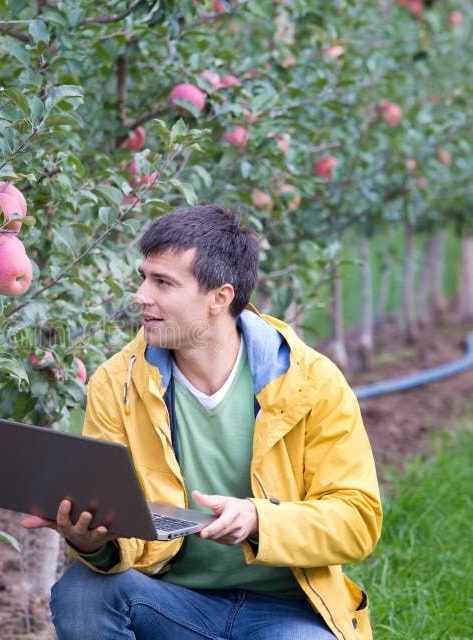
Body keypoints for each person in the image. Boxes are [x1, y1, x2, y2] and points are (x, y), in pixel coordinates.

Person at [22, 204, 383, 639]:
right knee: (82, 592)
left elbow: (356, 519)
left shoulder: (311, 382)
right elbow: (121, 516)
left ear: (219, 298)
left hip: (286, 612)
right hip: (173, 601)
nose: (140, 295)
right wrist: (94, 543)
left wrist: (255, 519)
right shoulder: (116, 384)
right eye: (143, 277)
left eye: (163, 282)